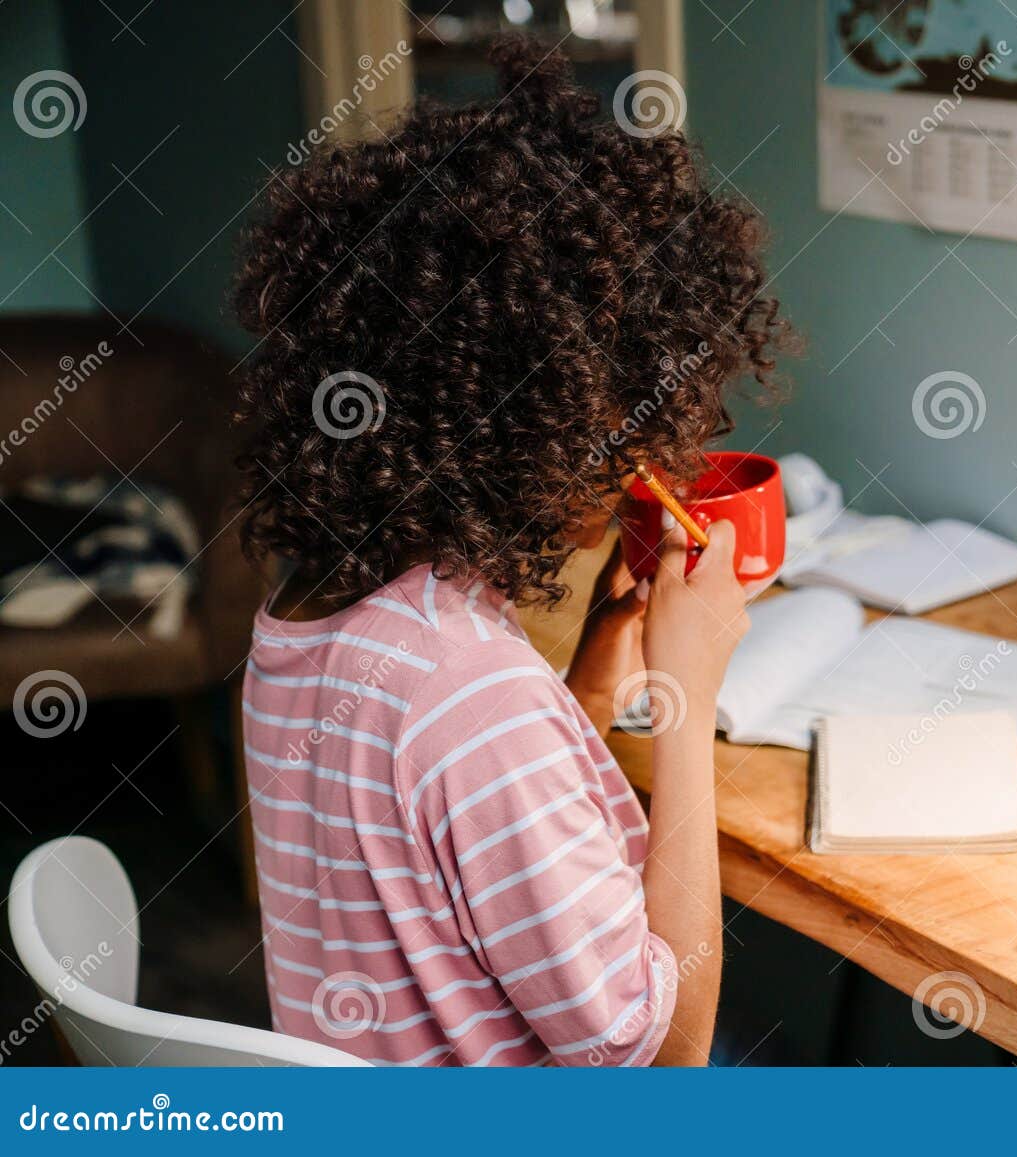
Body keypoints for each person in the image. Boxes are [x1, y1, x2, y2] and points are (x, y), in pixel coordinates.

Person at [229, 37, 786, 1067]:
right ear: (537, 413)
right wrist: (688, 699)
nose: (658, 452)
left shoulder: (309, 618)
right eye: (640, 413)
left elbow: (456, 830)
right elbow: (668, 1057)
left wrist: (598, 667)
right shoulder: (476, 697)